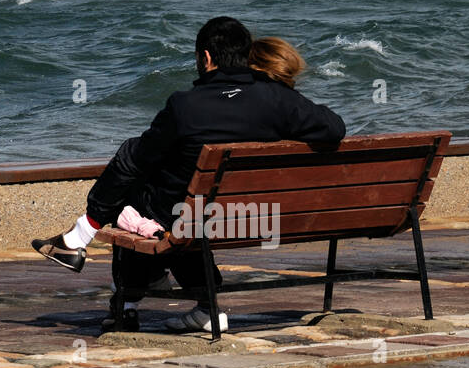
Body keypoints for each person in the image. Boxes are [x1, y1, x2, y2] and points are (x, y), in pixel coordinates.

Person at [31, 17, 345, 333]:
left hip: (189, 218)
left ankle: (110, 280)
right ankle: (193, 298)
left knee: (136, 181)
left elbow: (137, 159)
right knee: (179, 206)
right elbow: (334, 128)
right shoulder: (278, 100)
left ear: (205, 58)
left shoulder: (185, 106)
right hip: (258, 216)